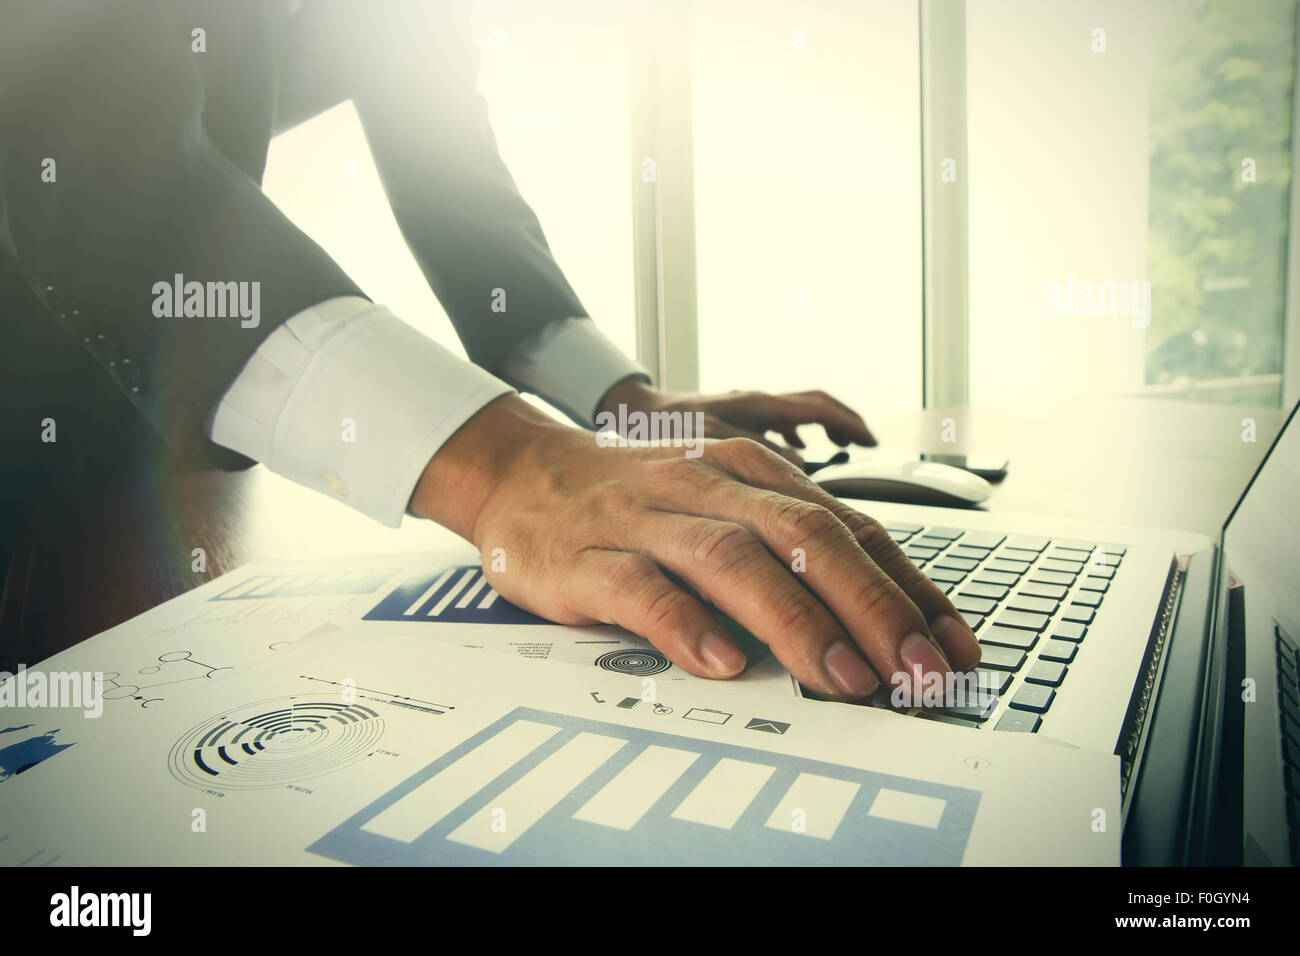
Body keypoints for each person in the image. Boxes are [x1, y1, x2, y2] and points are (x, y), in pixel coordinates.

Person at [0, 0, 978, 700]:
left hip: (149, 473)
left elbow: (455, 181)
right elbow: (85, 151)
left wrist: (623, 402)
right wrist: (510, 464)